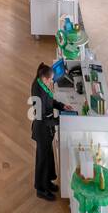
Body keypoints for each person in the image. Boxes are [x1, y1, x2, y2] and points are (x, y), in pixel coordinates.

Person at [30, 62, 73, 200]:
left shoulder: (42, 85)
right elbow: (41, 118)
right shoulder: (38, 92)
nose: (52, 82)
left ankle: (47, 182)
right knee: (42, 160)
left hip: (46, 129)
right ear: (45, 79)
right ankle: (41, 189)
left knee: (48, 157)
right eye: (51, 80)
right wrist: (59, 121)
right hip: (42, 130)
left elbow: (50, 101)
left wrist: (62, 106)